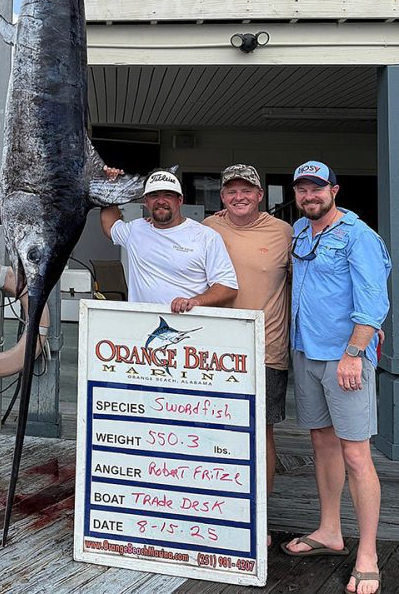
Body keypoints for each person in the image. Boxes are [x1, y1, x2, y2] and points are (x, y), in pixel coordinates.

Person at [281, 161, 390, 594]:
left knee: (357, 455)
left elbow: (373, 301)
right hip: (307, 353)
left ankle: (368, 553)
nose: (309, 195)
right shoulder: (300, 233)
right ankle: (329, 530)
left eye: (317, 188)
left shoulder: (360, 237)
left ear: (335, 190)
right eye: (302, 189)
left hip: (345, 359)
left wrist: (353, 352)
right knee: (322, 444)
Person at [203, 164, 292, 541]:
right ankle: (214, 509)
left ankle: (258, 515)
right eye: (231, 191)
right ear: (222, 196)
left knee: (260, 434)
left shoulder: (285, 232)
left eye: (247, 190)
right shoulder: (205, 228)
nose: (239, 197)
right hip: (213, 353)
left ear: (260, 195)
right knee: (210, 432)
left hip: (266, 350)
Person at [99, 168, 238, 311]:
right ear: (146, 201)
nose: (161, 201)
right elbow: (110, 225)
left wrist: (195, 301)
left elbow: (228, 287)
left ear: (180, 200)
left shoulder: (206, 236)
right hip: (142, 325)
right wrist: (110, 185)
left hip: (188, 326)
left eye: (168, 195)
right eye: (154, 195)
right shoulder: (135, 230)